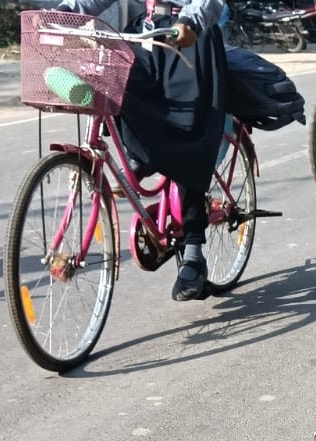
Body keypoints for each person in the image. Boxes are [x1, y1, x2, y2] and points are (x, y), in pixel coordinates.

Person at [58, 0, 228, 302]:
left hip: (188, 42)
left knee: (186, 138)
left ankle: (193, 252)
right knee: (112, 80)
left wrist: (191, 21)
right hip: (146, 36)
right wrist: (67, 12)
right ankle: (140, 155)